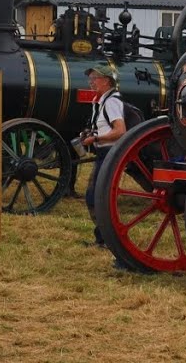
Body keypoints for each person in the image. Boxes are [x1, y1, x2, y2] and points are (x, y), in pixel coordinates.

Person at [81, 63, 128, 255]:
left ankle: (107, 238)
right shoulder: (99, 101)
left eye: (95, 79)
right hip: (103, 153)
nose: (91, 83)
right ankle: (102, 237)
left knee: (97, 197)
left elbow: (120, 130)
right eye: (90, 79)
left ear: (107, 81)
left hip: (110, 154)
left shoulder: (112, 102)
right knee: (95, 197)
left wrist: (97, 138)